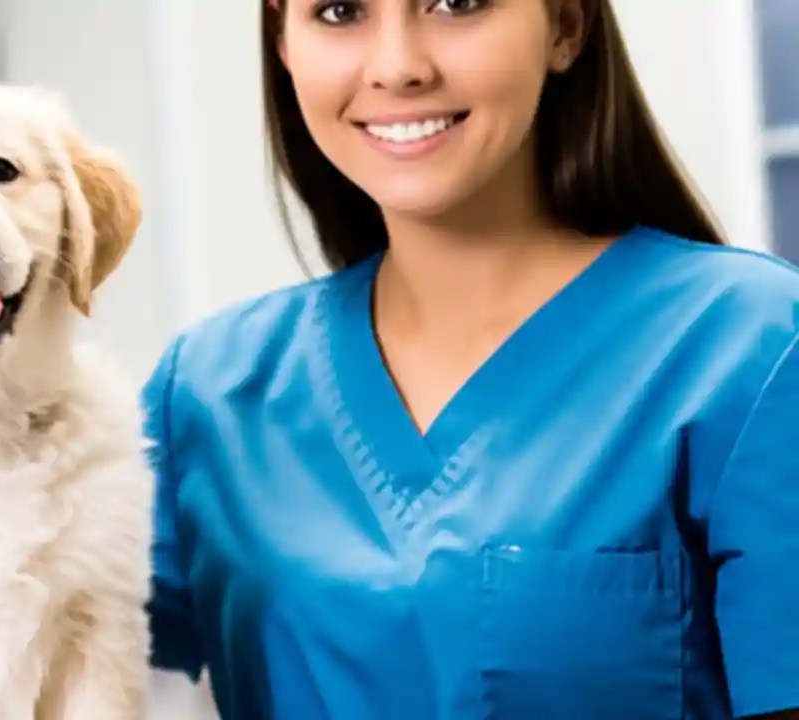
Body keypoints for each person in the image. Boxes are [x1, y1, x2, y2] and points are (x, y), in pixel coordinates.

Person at [140, 0, 799, 718]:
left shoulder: (748, 343)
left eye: (456, 3)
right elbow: (34, 666)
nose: (399, 67)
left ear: (566, 26)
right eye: (338, 11)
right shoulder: (207, 393)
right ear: (284, 43)